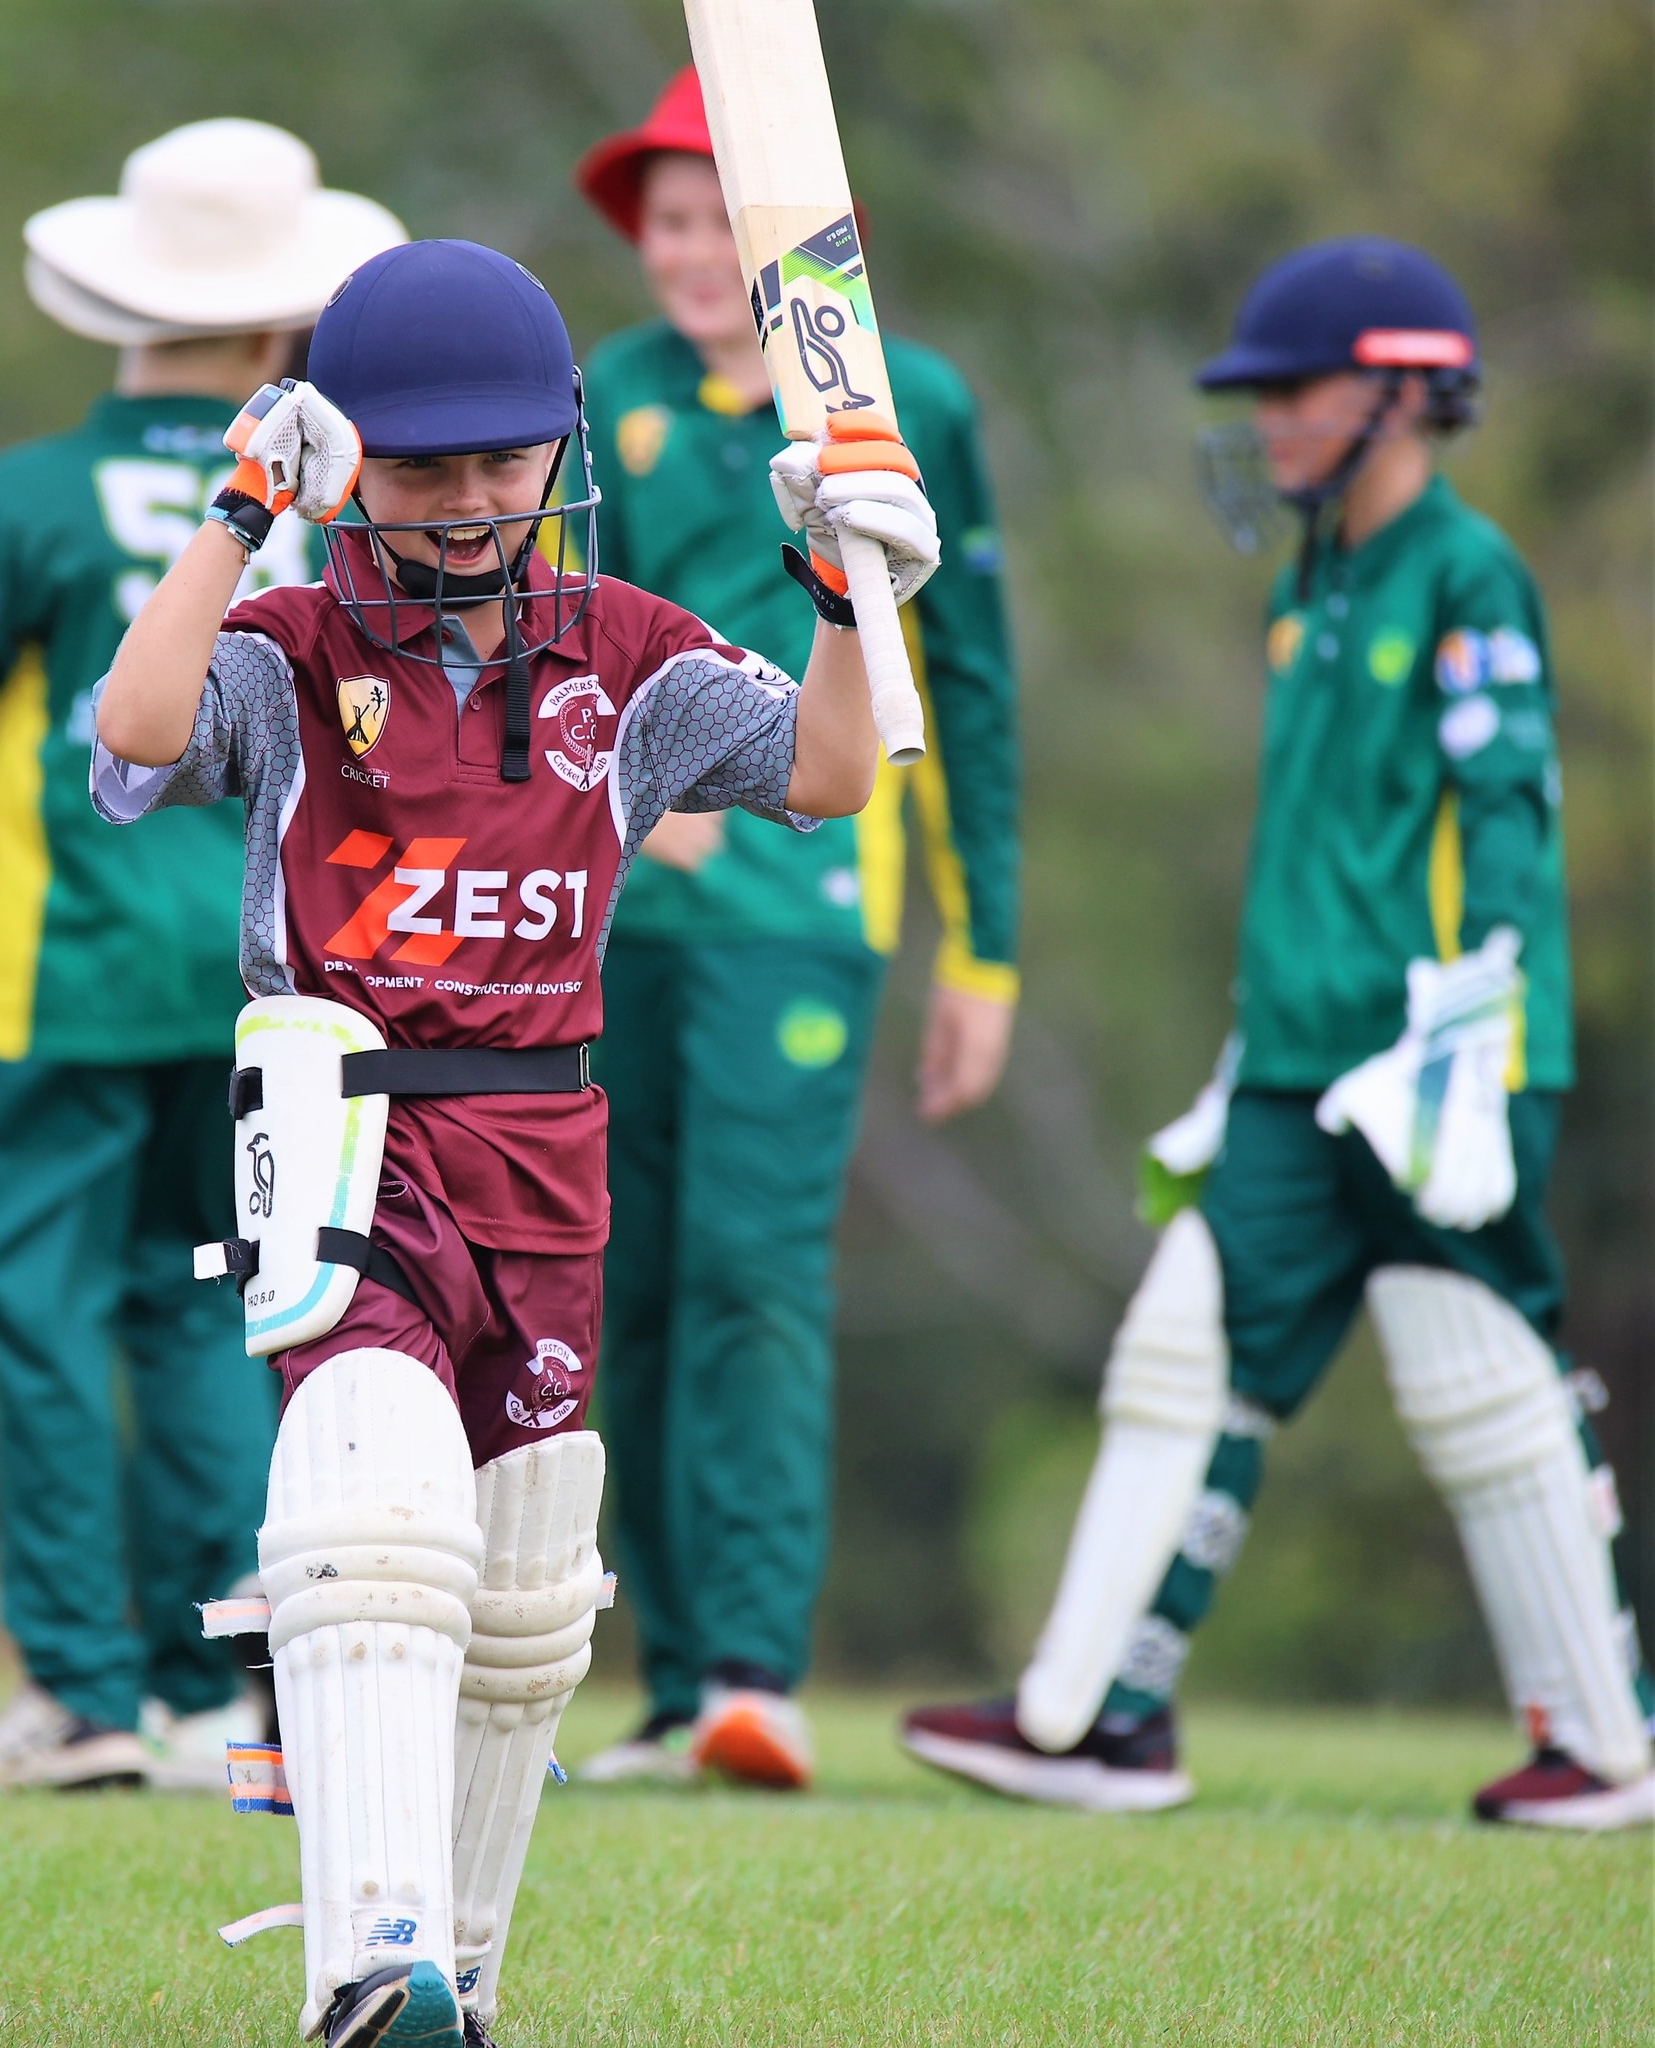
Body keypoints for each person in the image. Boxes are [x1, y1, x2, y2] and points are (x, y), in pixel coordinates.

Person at [90, 237, 932, 2048]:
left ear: (562, 449)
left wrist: (855, 592)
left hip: (548, 1155)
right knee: (372, 1497)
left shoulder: (619, 651)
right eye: (416, 465)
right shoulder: (289, 646)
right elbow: (134, 727)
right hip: (343, 1129)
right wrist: (241, 509)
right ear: (344, 459)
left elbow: (839, 775)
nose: (466, 505)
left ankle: (450, 1980)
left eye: (499, 461)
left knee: (530, 1581)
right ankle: (362, 1955)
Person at [902, 237, 1655, 1831]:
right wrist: (1258, 1048)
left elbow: (1507, 816)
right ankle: (1092, 1722)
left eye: (1296, 392)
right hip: (1296, 1068)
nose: (1274, 426)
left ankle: (1602, 1745)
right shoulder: (1311, 580)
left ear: (1402, 391)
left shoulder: (1468, 572)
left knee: (1481, 1380)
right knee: (1181, 1351)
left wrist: (1480, 1038)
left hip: (1432, 1068)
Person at [0, 120, 405, 1791]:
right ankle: (211, 1694)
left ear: (119, 299)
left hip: (68, 982)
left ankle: (81, 1699)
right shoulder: (326, 518)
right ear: (286, 325)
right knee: (209, 1314)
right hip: (277, 986)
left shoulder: (25, 498)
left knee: (44, 1318)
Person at [566, 68, 1020, 1790]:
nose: (690, 257)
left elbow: (966, 680)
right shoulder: (606, 394)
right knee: (642, 1295)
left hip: (805, 918)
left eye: (717, 224)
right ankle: (679, 1689)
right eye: (666, 225)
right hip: (616, 924)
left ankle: (758, 1673)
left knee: (757, 1280)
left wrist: (983, 956)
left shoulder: (922, 407)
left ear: (796, 242)